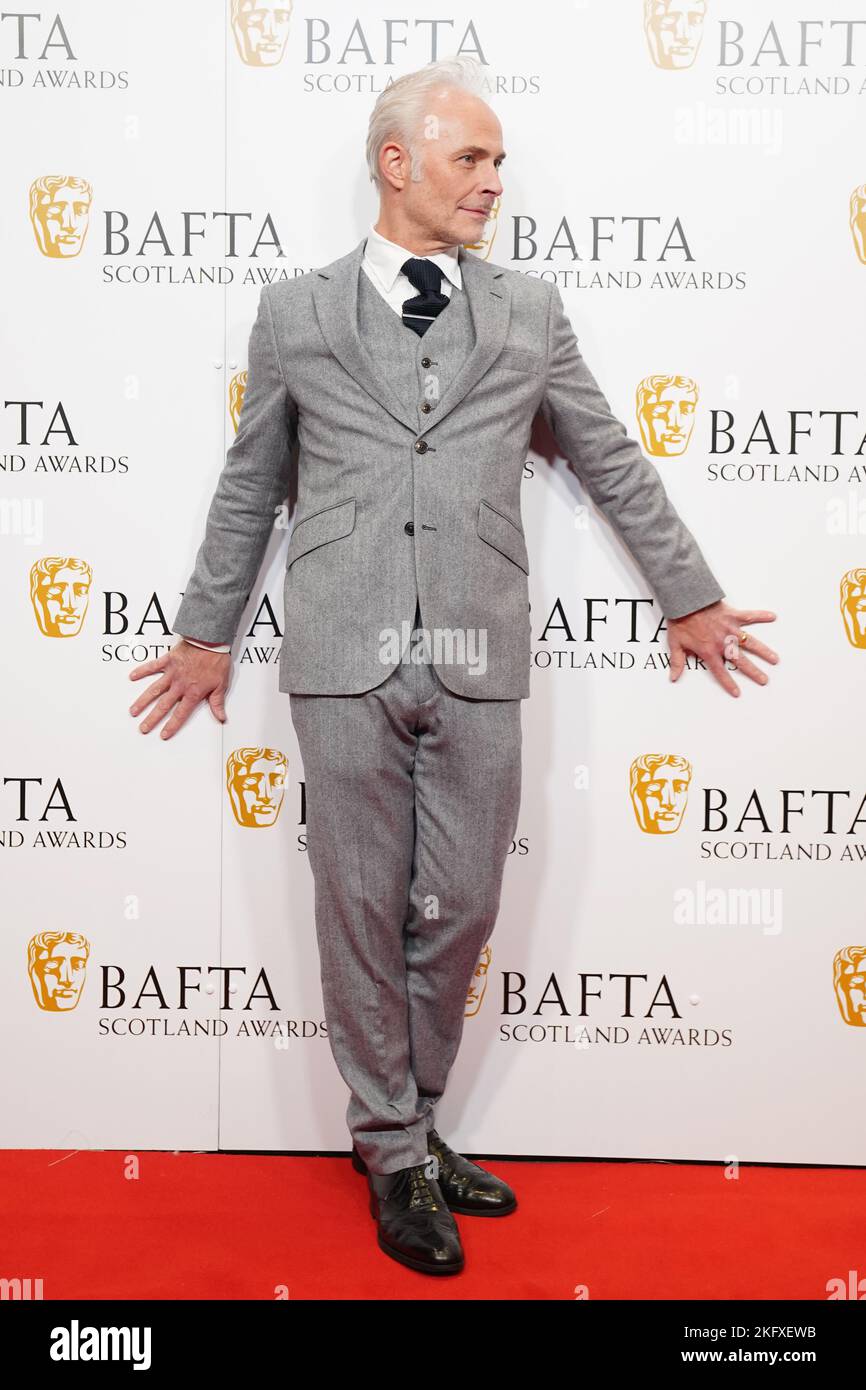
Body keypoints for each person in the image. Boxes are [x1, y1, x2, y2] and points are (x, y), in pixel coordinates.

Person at [128, 55, 778, 1277]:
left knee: (464, 905)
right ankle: (391, 1148)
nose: (492, 181)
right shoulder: (295, 312)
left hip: (480, 650)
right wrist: (206, 629)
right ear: (398, 163)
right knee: (360, 914)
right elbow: (248, 484)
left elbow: (605, 455)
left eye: (496, 162)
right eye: (470, 158)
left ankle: (412, 1127)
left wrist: (685, 593)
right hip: (340, 653)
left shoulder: (528, 310)